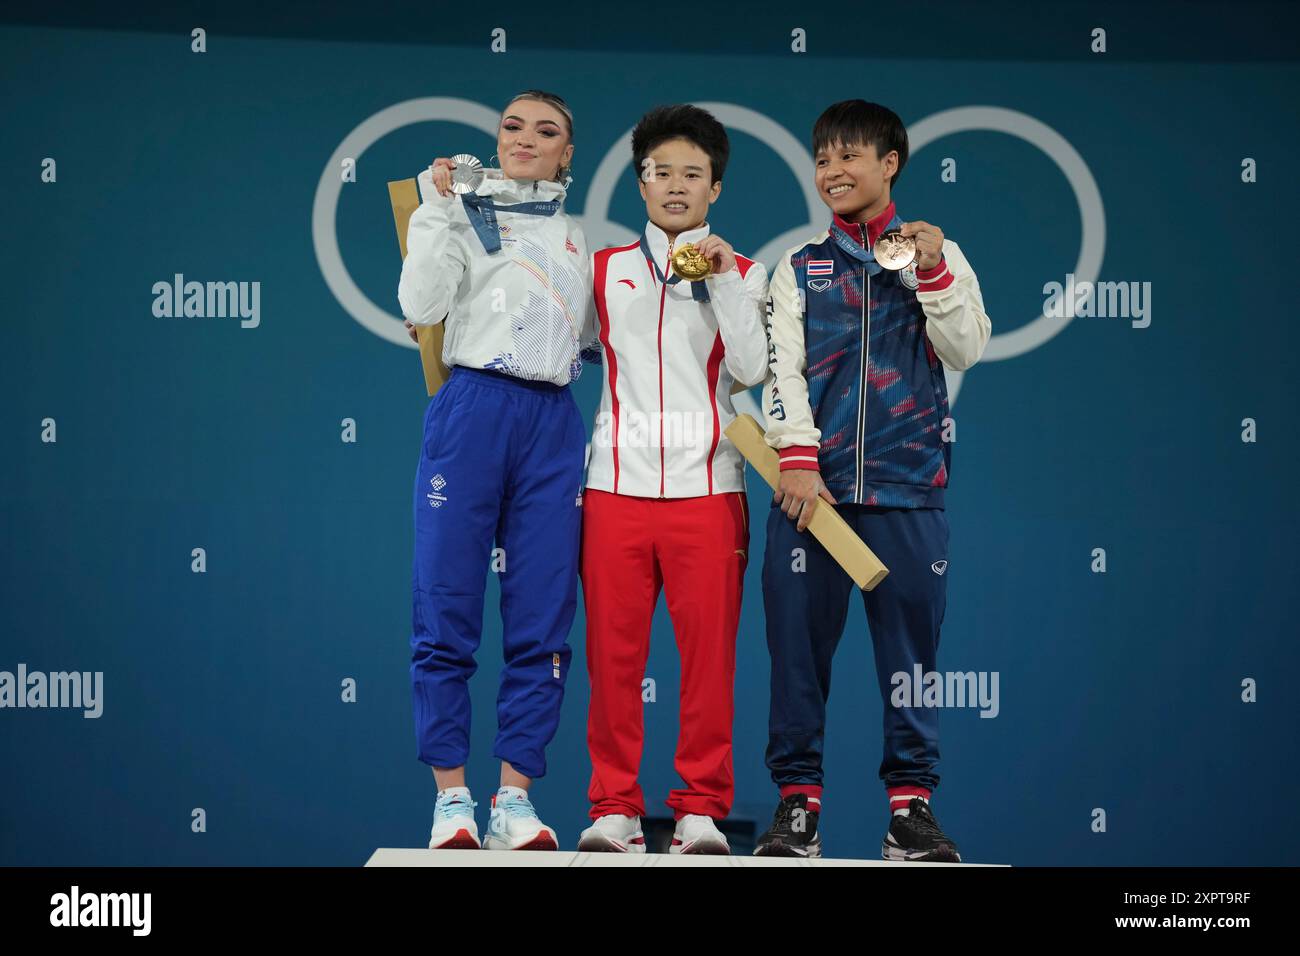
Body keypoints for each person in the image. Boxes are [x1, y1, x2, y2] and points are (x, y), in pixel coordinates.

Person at [757, 100, 991, 861]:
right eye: (823, 159)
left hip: (908, 490)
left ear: (890, 163)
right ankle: (797, 807)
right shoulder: (800, 268)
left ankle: (910, 811)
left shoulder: (936, 256)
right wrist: (796, 454)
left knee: (912, 666)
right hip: (810, 499)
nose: (833, 172)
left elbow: (964, 348)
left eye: (850, 156)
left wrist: (932, 269)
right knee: (797, 658)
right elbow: (780, 369)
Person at [397, 89, 589, 851]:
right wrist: (437, 209)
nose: (526, 139)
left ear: (567, 153)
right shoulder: (450, 209)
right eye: (513, 126)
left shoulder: (578, 239)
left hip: (553, 421)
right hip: (472, 403)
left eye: (546, 132)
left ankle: (515, 800)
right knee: (446, 604)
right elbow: (419, 301)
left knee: (542, 615)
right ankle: (451, 800)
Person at [576, 105, 768, 855]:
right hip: (615, 491)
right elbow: (554, 346)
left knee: (708, 664)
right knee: (612, 660)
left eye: (694, 173)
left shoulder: (746, 274)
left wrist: (721, 280)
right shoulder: (602, 270)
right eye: (662, 172)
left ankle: (699, 810)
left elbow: (753, 370)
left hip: (710, 492)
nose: (677, 185)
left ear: (715, 188)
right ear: (640, 182)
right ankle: (615, 806)